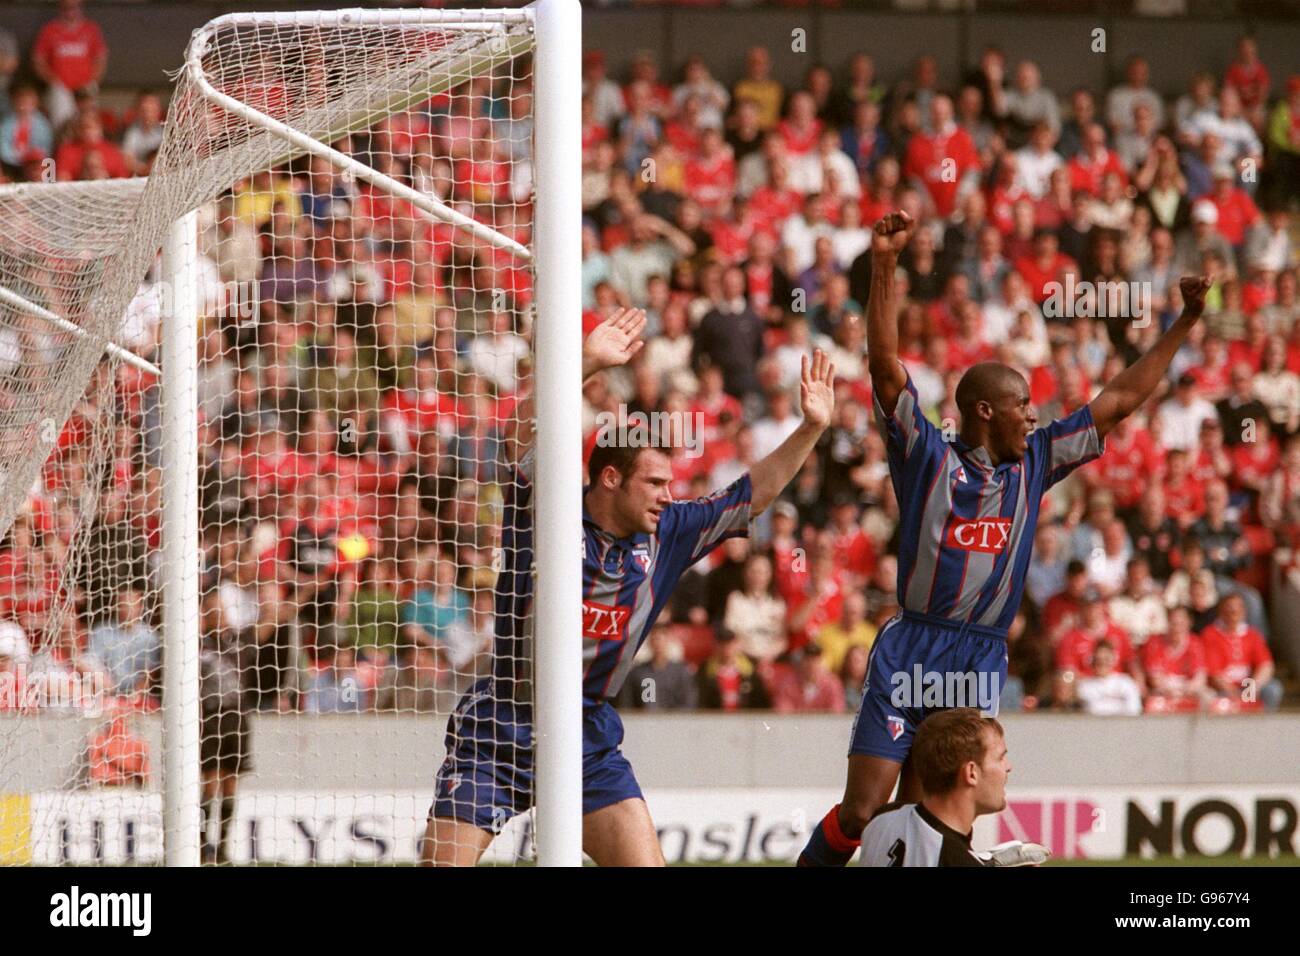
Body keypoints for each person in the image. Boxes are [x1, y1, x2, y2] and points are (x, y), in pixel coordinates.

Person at [798, 209, 1213, 867]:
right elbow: (884, 366)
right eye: (1022, 403)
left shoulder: (1038, 460)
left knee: (933, 816)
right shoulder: (927, 454)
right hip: (914, 642)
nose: (1034, 413)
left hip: (979, 656)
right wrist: (883, 264)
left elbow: (1121, 400)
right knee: (863, 809)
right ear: (985, 409)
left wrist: (1184, 324)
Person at [424, 308, 838, 866]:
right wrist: (586, 360)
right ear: (611, 478)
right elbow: (519, 433)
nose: (669, 494)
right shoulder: (547, 508)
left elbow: (751, 495)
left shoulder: (668, 533)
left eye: (671, 482)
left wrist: (809, 428)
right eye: (655, 482)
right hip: (504, 719)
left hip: (587, 733)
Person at [859, 708, 1045, 867]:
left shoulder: (882, 819)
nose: (1008, 766)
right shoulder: (952, 858)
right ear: (971, 773)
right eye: (1000, 757)